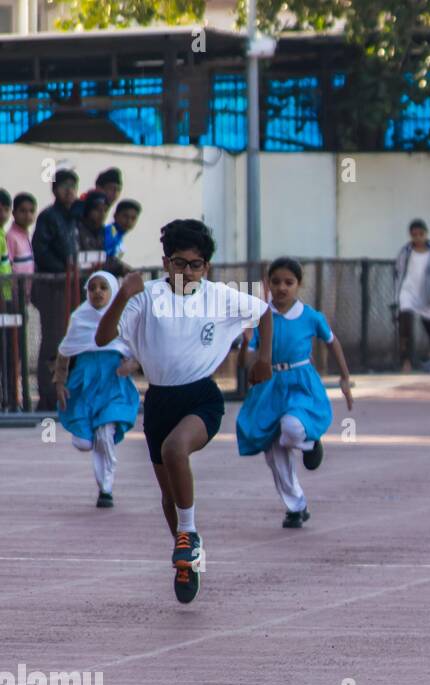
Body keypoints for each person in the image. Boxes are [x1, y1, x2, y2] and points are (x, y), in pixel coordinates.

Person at [95, 219, 274, 603]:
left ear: (206, 267)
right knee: (167, 494)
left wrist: (264, 360)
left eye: (195, 264)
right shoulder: (147, 297)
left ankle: (189, 536)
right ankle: (186, 562)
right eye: (179, 263)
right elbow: (102, 337)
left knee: (175, 451)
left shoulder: (220, 295)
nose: (187, 272)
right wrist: (123, 296)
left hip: (200, 398)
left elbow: (265, 310)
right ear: (166, 262)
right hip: (159, 400)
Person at [237, 257, 354, 528]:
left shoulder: (311, 316)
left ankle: (310, 443)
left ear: (299, 285)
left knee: (291, 428)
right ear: (268, 284)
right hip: (269, 387)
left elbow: (332, 342)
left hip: (300, 383)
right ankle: (295, 506)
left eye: (289, 282)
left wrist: (345, 377)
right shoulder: (261, 317)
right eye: (276, 282)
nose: (282, 288)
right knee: (273, 451)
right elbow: (246, 362)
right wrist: (244, 346)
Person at [53, 270, 140, 508]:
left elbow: (138, 350)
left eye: (103, 287)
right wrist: (60, 383)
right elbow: (65, 351)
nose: (98, 292)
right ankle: (89, 439)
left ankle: (106, 488)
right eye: (92, 288)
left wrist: (131, 365)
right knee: (84, 443)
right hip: (84, 384)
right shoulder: (79, 318)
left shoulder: (123, 318)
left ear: (112, 290)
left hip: (113, 384)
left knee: (105, 433)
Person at [31, 169, 81, 411]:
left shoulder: (73, 218)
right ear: (54, 190)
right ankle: (48, 397)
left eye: (73, 185)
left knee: (68, 341)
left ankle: (64, 394)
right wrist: (65, 271)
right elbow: (41, 252)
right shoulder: (48, 217)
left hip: (69, 287)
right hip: (53, 288)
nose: (69, 190)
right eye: (64, 186)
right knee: (52, 342)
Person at [392, 218, 430, 373]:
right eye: (414, 235)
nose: (418, 238)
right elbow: (398, 271)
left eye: (421, 234)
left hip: (428, 295)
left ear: (426, 234)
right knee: (405, 324)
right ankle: (405, 361)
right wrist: (396, 293)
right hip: (408, 292)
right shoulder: (406, 252)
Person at [76, 191, 109, 272]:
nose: (102, 214)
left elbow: (108, 257)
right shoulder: (76, 230)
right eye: (97, 210)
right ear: (87, 210)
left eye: (105, 210)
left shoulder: (104, 231)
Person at [6, 192, 36, 275]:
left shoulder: (27, 235)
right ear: (14, 213)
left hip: (28, 286)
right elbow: (8, 266)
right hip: (16, 287)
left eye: (31, 211)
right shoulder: (11, 237)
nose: (28, 215)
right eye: (23, 211)